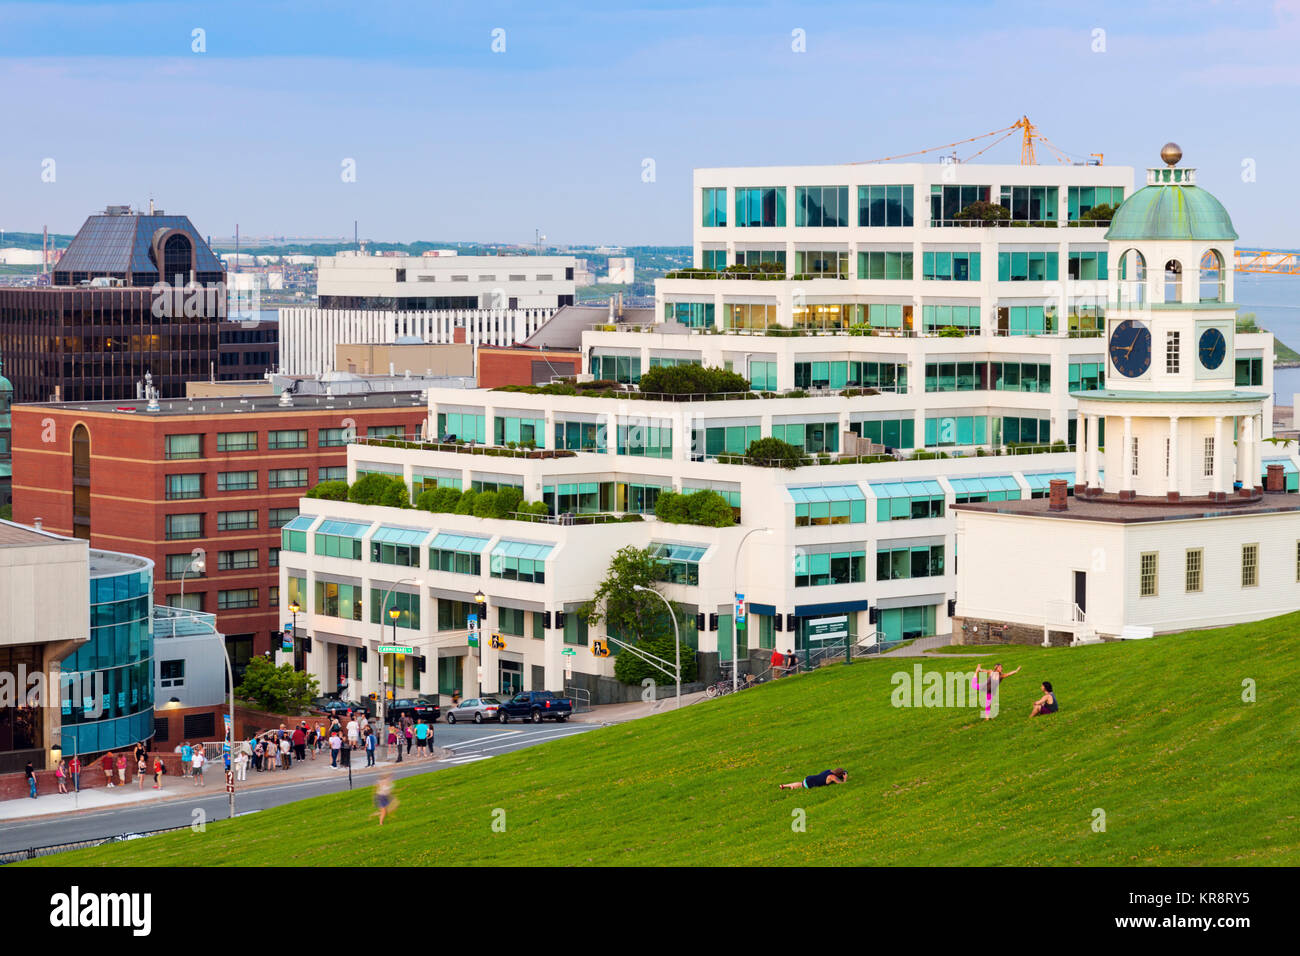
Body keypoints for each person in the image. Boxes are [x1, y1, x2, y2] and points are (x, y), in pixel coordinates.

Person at [779, 768, 848, 790]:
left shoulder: (829, 770)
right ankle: (789, 786)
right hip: (811, 783)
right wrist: (845, 779)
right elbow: (841, 783)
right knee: (802, 785)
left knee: (801, 784)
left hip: (810, 778)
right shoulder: (832, 777)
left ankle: (784, 786)